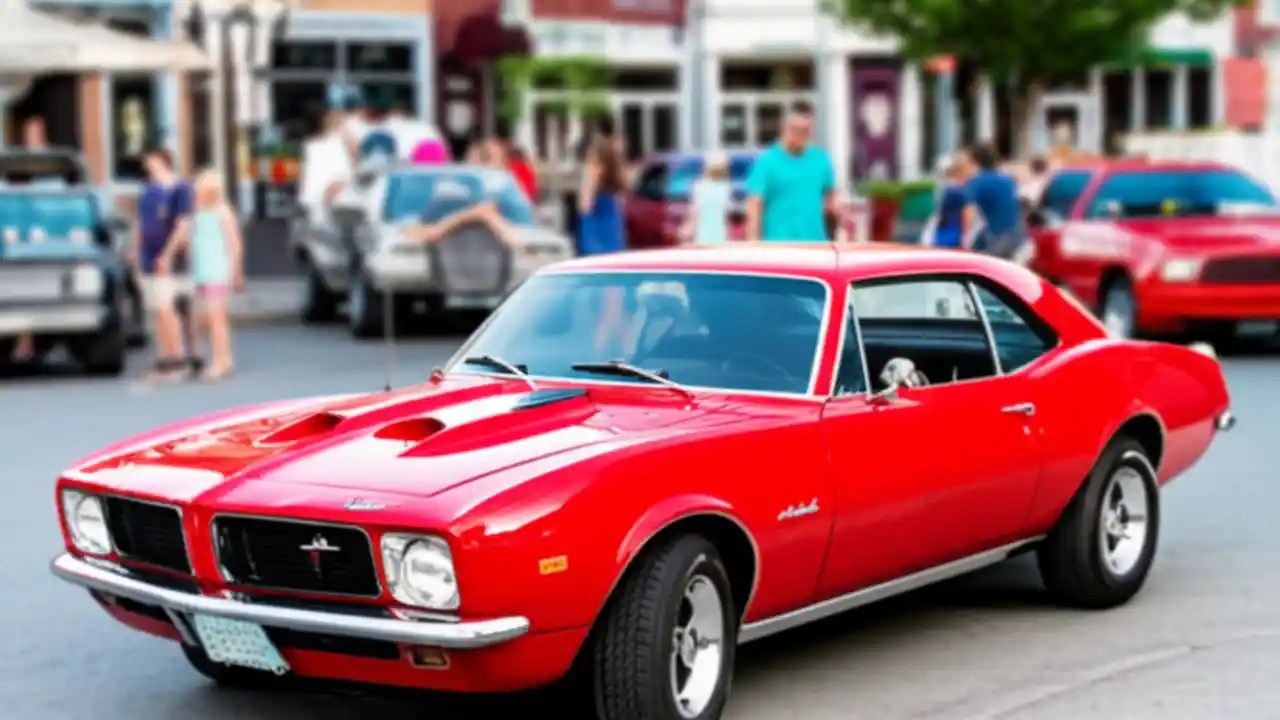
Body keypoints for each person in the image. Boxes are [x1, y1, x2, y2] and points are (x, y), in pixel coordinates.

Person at [156, 170, 243, 381]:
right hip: (201, 271)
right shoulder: (198, 212)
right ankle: (221, 358)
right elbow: (184, 233)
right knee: (205, 319)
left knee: (216, 318)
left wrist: (236, 273)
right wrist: (169, 254)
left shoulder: (223, 212)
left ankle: (221, 362)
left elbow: (234, 244)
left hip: (217, 270)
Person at [133, 146, 197, 382]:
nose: (147, 165)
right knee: (158, 310)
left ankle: (178, 358)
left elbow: (183, 225)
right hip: (149, 256)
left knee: (168, 308)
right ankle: (165, 357)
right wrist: (136, 255)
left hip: (171, 258)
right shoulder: (148, 191)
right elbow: (141, 225)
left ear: (162, 161)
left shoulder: (180, 189)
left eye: (151, 160)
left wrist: (168, 254)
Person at [744, 101, 836, 242]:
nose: (801, 135)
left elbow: (831, 203)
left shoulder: (821, 161)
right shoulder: (767, 162)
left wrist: (835, 236)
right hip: (778, 244)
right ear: (785, 129)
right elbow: (754, 205)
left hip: (815, 243)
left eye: (806, 131)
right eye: (796, 130)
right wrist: (753, 242)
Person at [9, 117, 49, 364]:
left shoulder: (53, 160)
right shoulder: (19, 161)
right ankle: (25, 341)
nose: (30, 138)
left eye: (34, 133)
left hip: (47, 229)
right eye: (28, 133)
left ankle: (30, 341)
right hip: (27, 228)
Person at [963, 142, 1025, 259]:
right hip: (1017, 235)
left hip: (997, 237)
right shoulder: (1007, 179)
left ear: (975, 161)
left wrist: (965, 237)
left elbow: (969, 211)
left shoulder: (976, 181)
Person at [577, 117, 627, 255]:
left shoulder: (593, 165)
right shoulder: (616, 159)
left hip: (595, 228)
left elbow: (585, 204)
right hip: (613, 227)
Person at [679, 152, 733, 245]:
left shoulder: (699, 187)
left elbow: (694, 213)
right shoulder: (727, 188)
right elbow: (729, 214)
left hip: (702, 238)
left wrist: (685, 231)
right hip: (721, 238)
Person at [931, 153, 976, 250]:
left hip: (941, 233)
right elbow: (968, 215)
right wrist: (967, 238)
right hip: (953, 234)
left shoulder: (945, 187)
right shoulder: (960, 191)